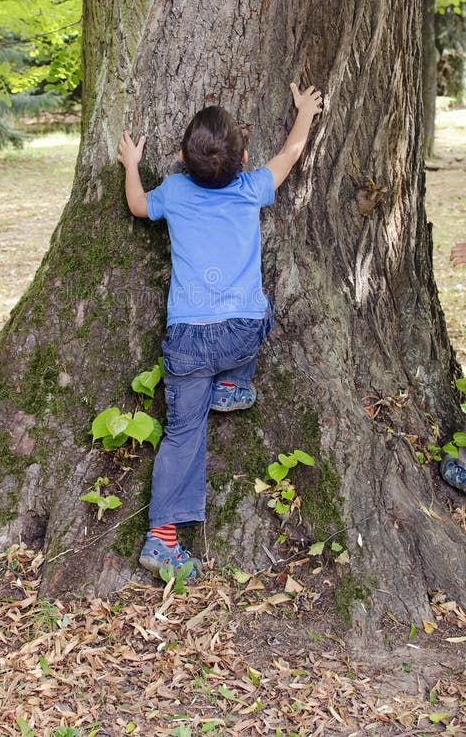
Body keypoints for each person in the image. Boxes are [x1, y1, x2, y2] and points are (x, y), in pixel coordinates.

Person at [117, 83, 323, 577]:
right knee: (261, 309)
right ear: (244, 156)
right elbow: (292, 152)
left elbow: (138, 207)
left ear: (183, 157)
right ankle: (233, 385)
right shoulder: (252, 187)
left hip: (187, 343)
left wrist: (130, 165)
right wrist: (305, 111)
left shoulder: (173, 190)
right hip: (239, 335)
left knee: (182, 434)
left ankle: (161, 537)